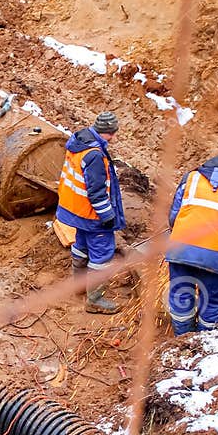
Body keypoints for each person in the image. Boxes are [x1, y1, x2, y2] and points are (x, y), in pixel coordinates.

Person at [166, 151, 218, 334]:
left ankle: (182, 337)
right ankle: (205, 340)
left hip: (181, 247)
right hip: (215, 253)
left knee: (181, 294)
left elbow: (174, 214)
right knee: (212, 300)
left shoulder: (192, 177)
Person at [55, 111, 126, 314]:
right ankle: (95, 300)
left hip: (76, 211)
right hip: (91, 214)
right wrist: (107, 216)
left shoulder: (80, 143)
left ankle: (79, 286)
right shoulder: (94, 155)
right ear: (107, 132)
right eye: (113, 133)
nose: (114, 137)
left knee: (81, 245)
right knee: (101, 255)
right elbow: (96, 192)